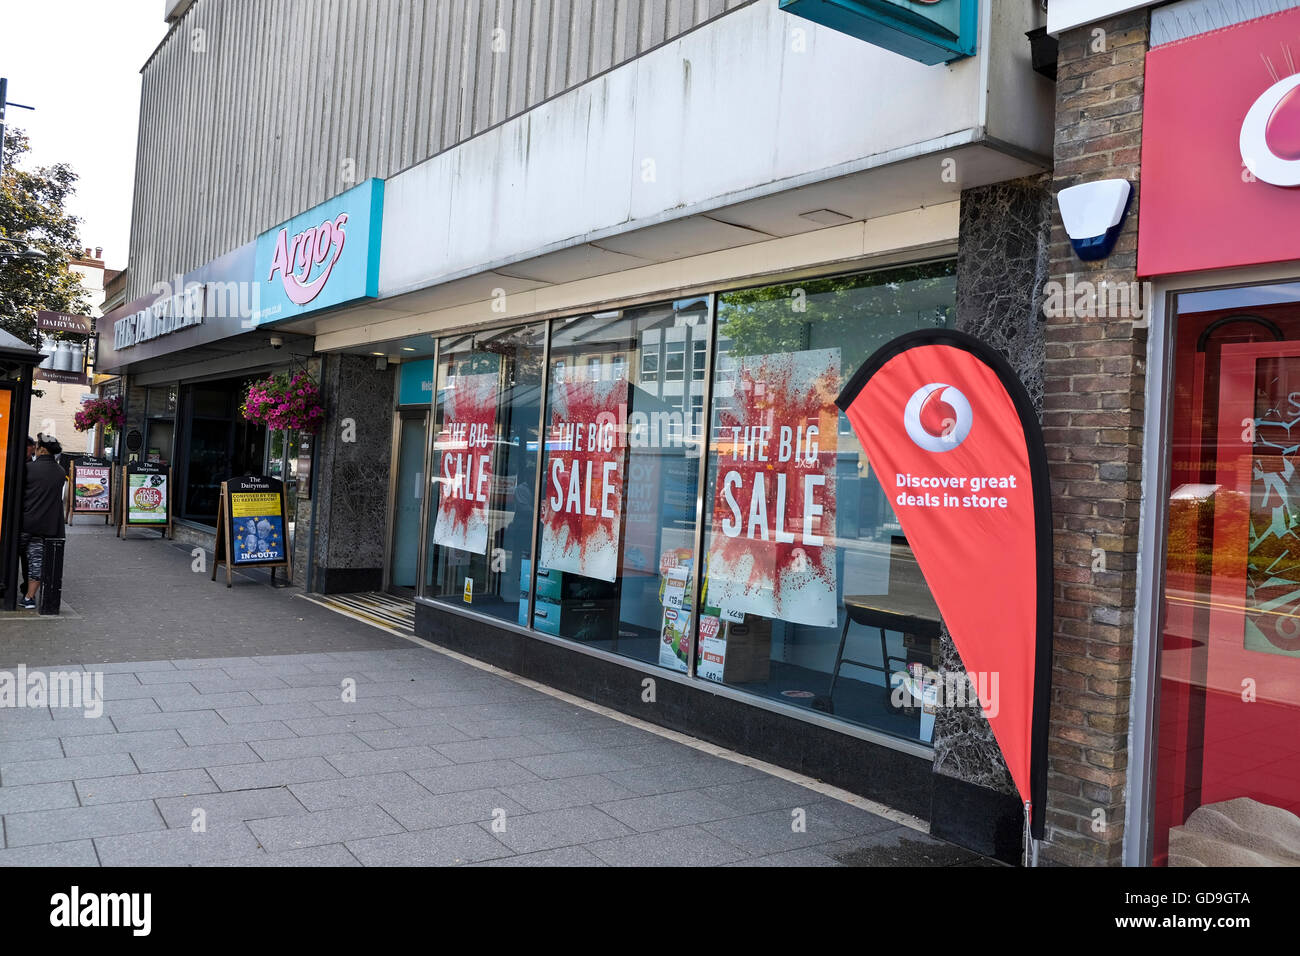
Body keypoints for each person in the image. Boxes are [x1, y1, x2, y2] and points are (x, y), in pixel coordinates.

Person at [20, 438, 67, 610]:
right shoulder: (60, 471)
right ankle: (29, 597)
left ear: (41, 450)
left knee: (9, 559)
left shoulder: (27, 469)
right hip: (45, 526)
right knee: (36, 562)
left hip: (23, 523)